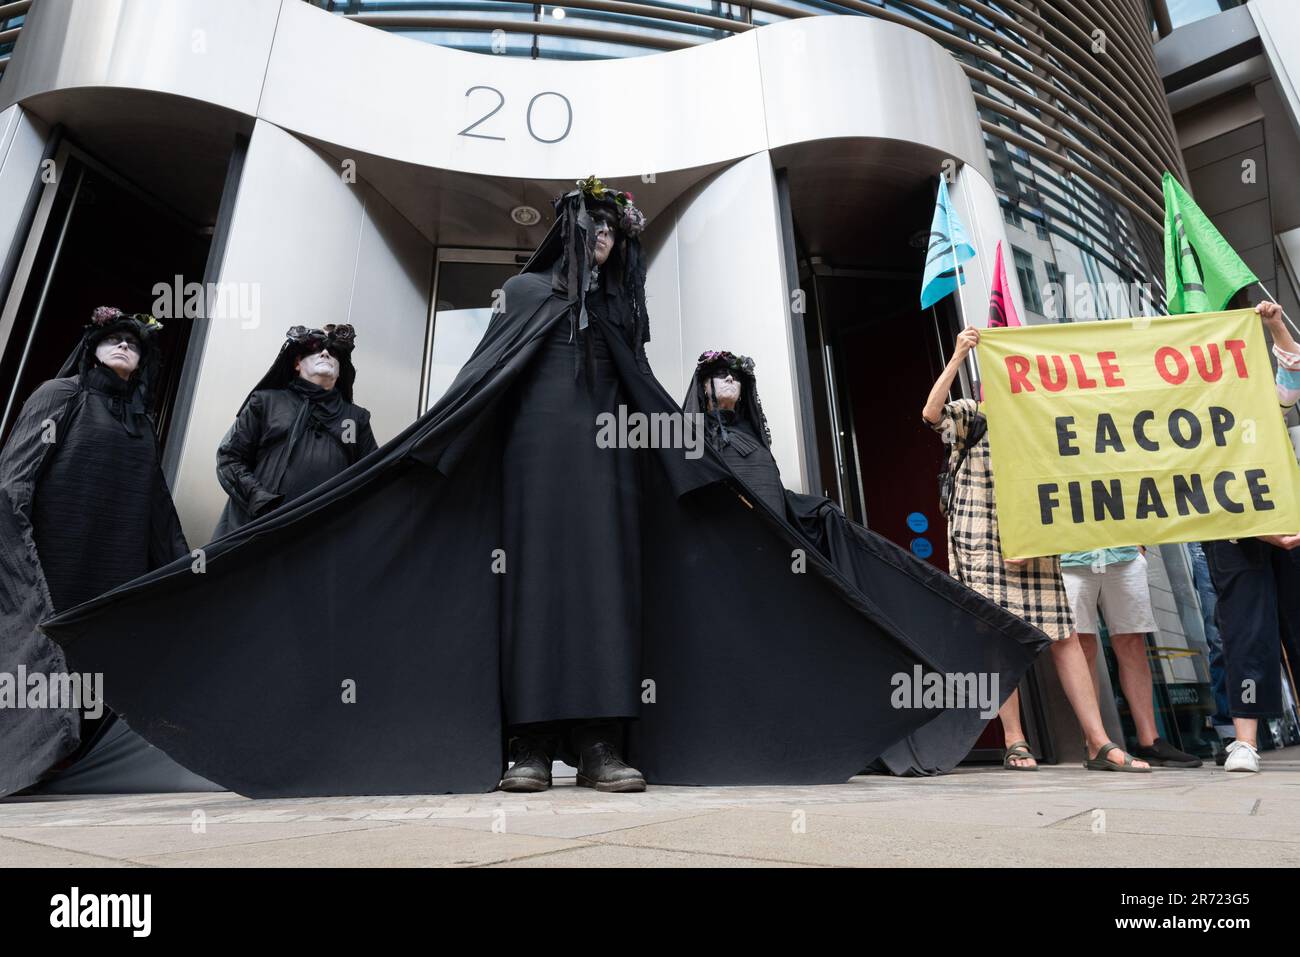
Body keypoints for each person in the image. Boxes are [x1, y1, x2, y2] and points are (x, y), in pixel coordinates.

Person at [39, 179, 1026, 799]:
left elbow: (646, 401)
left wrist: (719, 482)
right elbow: (479, 390)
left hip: (608, 491)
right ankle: (526, 748)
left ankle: (602, 747)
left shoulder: (623, 322)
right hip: (522, 486)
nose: (599, 246)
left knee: (608, 605)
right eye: (587, 231)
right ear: (565, 233)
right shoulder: (519, 298)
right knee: (526, 606)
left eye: (611, 237)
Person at [683, 349, 1052, 775]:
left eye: (737, 377)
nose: (730, 383)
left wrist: (815, 512)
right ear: (704, 386)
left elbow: (775, 501)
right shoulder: (695, 442)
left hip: (772, 570)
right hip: (724, 571)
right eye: (720, 376)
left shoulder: (753, 442)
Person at [0, 307, 215, 796]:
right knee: (43, 656)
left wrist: (184, 570)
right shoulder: (61, 395)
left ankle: (72, 760)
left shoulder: (137, 420)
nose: (124, 347)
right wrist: (17, 561)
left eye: (135, 345)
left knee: (99, 660)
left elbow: (157, 503)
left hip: (113, 562)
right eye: (114, 339)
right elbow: (13, 482)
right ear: (91, 347)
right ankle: (28, 761)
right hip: (53, 558)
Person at [923, 326, 1150, 772]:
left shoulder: (1043, 420)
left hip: (1036, 543)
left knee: (1064, 638)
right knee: (996, 642)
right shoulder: (975, 415)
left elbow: (1065, 490)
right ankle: (1014, 739)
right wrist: (957, 356)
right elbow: (931, 414)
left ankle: (1098, 743)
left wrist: (1041, 541)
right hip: (983, 544)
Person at [1201, 301, 1300, 772]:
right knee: (1244, 633)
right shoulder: (1188, 417)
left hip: (1289, 524)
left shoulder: (1263, 397)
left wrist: (1276, 324)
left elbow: (1291, 372)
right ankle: (1246, 741)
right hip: (1232, 532)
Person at [214, 324, 377, 537]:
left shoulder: (357, 418)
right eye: (316, 349)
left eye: (334, 353)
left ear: (340, 371)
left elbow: (373, 474)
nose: (326, 353)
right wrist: (258, 497)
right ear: (297, 363)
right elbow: (229, 457)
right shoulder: (266, 403)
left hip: (324, 537)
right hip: (261, 530)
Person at [1059, 546, 1202, 767]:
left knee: (1132, 641)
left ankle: (1150, 740)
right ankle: (1095, 743)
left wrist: (1141, 541)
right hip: (1067, 554)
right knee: (1081, 645)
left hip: (1122, 552)